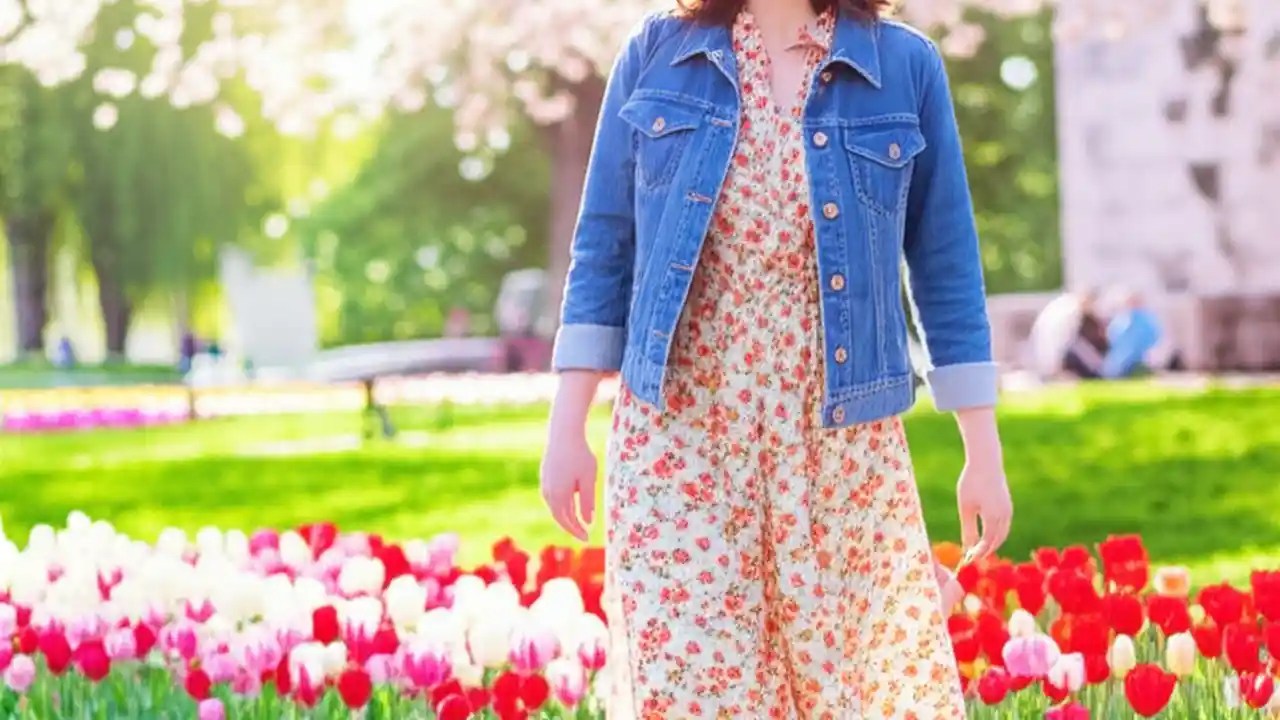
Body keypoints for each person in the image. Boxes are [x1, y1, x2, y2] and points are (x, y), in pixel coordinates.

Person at [540, 0, 1012, 716]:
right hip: (682, 436)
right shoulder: (658, 53)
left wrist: (983, 449)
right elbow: (604, 246)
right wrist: (566, 426)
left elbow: (945, 263)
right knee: (697, 694)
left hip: (839, 446)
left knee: (854, 696)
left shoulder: (904, 66)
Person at [1102, 291, 1164, 379]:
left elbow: (1153, 337)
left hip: (1141, 358)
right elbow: (1113, 337)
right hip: (1121, 359)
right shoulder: (1122, 319)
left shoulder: (1145, 320)